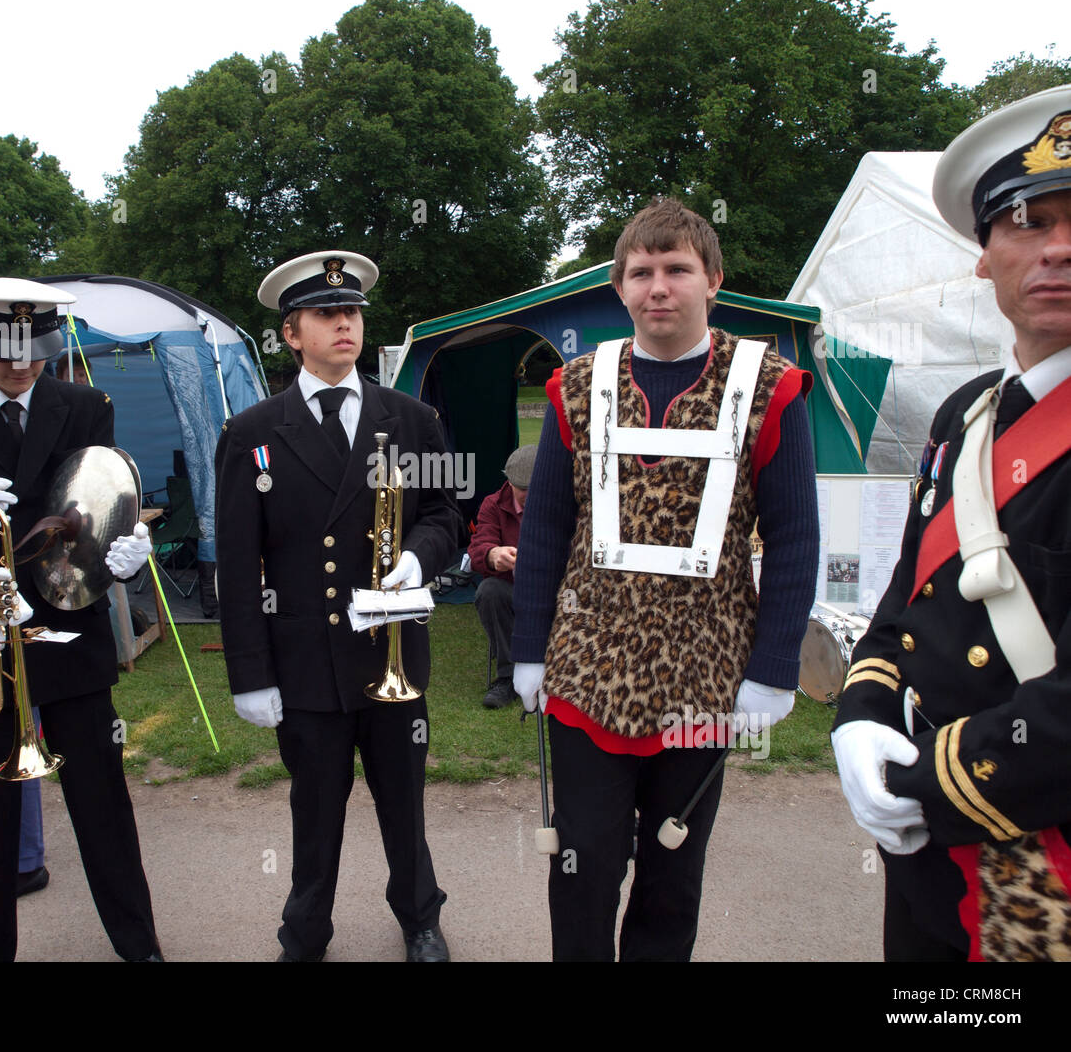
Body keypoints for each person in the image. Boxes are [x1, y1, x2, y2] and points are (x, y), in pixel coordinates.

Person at [512, 198, 818, 961]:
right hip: (586, 673)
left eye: (677, 268)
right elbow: (546, 525)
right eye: (641, 271)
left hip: (706, 677)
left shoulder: (772, 387)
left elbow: (795, 538)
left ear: (712, 279)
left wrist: (774, 668)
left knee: (673, 875)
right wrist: (526, 648)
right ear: (619, 286)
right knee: (582, 869)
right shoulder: (574, 387)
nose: (659, 286)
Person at [832, 85, 1071, 962]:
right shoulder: (964, 414)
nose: (1060, 248)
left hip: (1045, 859)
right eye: (1029, 221)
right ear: (985, 254)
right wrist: (860, 710)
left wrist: (923, 775)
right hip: (932, 855)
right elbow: (908, 599)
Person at [215, 251, 461, 962]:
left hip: (392, 657)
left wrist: (417, 554)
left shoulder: (411, 419)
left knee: (403, 802)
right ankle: (306, 930)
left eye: (351, 312)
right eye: (326, 314)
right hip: (305, 661)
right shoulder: (251, 432)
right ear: (292, 333)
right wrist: (249, 673)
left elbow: (446, 513)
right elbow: (236, 563)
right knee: (314, 809)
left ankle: (420, 917)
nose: (344, 324)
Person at [0, 277, 162, 962]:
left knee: (102, 800)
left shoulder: (83, 404)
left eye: (32, 348)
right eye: (4, 348)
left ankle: (139, 944)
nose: (19, 364)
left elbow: (95, 498)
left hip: (68, 623)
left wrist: (122, 553)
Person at [470, 444, 536, 708]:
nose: (528, 495)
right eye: (522, 488)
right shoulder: (493, 505)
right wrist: (493, 555)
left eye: (533, 488)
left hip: (555, 590)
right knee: (489, 591)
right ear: (508, 482)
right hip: (514, 589)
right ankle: (508, 677)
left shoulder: (563, 501)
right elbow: (478, 548)